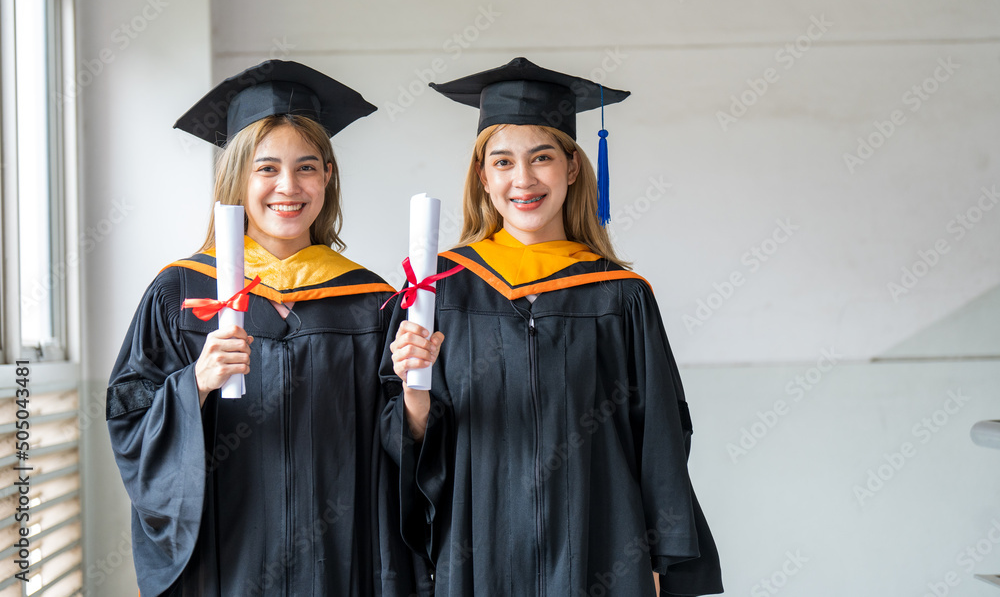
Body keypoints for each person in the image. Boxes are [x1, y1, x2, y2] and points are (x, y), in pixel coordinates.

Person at [380, 57, 723, 596]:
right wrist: (412, 389)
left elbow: (659, 432)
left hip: (603, 544)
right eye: (502, 162)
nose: (523, 180)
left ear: (572, 167)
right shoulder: (437, 293)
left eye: (541, 158)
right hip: (478, 548)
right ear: (482, 177)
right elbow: (408, 444)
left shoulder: (619, 295)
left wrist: (662, 557)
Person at [107, 60, 429, 596]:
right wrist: (196, 385)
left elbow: (405, 441)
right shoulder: (181, 293)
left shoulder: (372, 301)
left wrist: (419, 392)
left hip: (342, 560)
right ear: (236, 178)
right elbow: (130, 415)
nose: (288, 186)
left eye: (306, 167)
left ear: (327, 176)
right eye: (266, 168)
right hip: (226, 557)